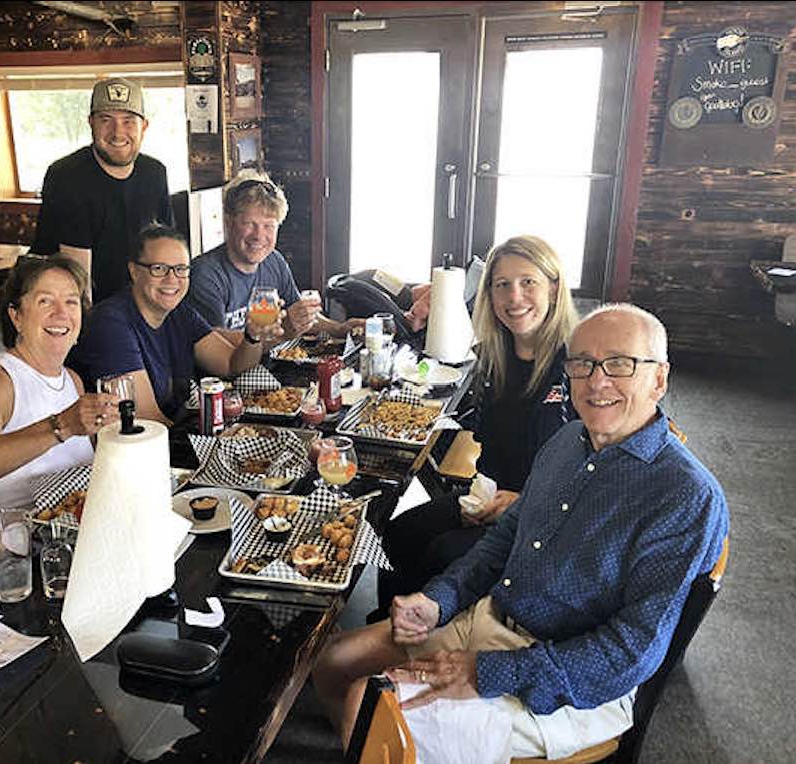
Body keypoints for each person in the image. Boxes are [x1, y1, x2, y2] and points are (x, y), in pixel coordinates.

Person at [312, 304, 729, 760]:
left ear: (659, 379)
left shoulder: (686, 495)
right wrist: (440, 600)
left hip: (569, 680)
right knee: (334, 663)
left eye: (620, 363)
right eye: (582, 364)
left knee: (368, 706)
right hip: (492, 618)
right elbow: (505, 538)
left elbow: (629, 653)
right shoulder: (567, 442)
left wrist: (488, 673)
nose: (597, 381)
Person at [378, 236, 578, 610]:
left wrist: (521, 504)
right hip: (489, 496)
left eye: (528, 282)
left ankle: (428, 634)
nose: (514, 297)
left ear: (553, 286)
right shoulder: (496, 356)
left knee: (442, 553)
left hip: (547, 519)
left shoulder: (576, 366)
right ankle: (387, 627)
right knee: (396, 533)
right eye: (502, 285)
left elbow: (593, 472)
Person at [0, 257, 118, 593]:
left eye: (71, 302)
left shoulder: (72, 380)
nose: (61, 314)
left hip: (47, 542)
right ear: (16, 316)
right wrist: (61, 426)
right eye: (45, 301)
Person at [68, 224, 276, 425]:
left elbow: (230, 365)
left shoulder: (179, 312)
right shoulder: (110, 324)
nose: (172, 279)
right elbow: (148, 418)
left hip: (171, 432)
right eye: (158, 269)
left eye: (180, 269)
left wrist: (252, 336)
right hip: (130, 448)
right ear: (134, 271)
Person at [31, 77, 173, 304]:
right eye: (106, 120)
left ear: (144, 126)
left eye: (128, 121)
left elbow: (165, 247)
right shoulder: (67, 176)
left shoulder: (155, 172)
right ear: (91, 123)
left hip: (141, 300)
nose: (118, 133)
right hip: (80, 302)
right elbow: (78, 279)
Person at [186, 171, 362, 343]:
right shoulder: (205, 274)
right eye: (249, 224)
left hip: (269, 364)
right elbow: (217, 346)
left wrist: (339, 329)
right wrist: (283, 330)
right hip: (224, 373)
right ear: (228, 223)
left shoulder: (274, 261)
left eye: (269, 226)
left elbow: (297, 315)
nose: (258, 236)